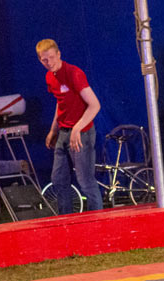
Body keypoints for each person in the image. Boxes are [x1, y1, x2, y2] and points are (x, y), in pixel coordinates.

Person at [36, 39, 103, 214]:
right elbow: (61, 102)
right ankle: (66, 221)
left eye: (51, 57)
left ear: (59, 54)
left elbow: (95, 105)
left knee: (85, 181)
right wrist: (53, 130)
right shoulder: (50, 77)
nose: (49, 63)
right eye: (44, 60)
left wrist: (78, 128)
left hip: (82, 133)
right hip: (64, 132)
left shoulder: (74, 73)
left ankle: (97, 222)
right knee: (58, 179)